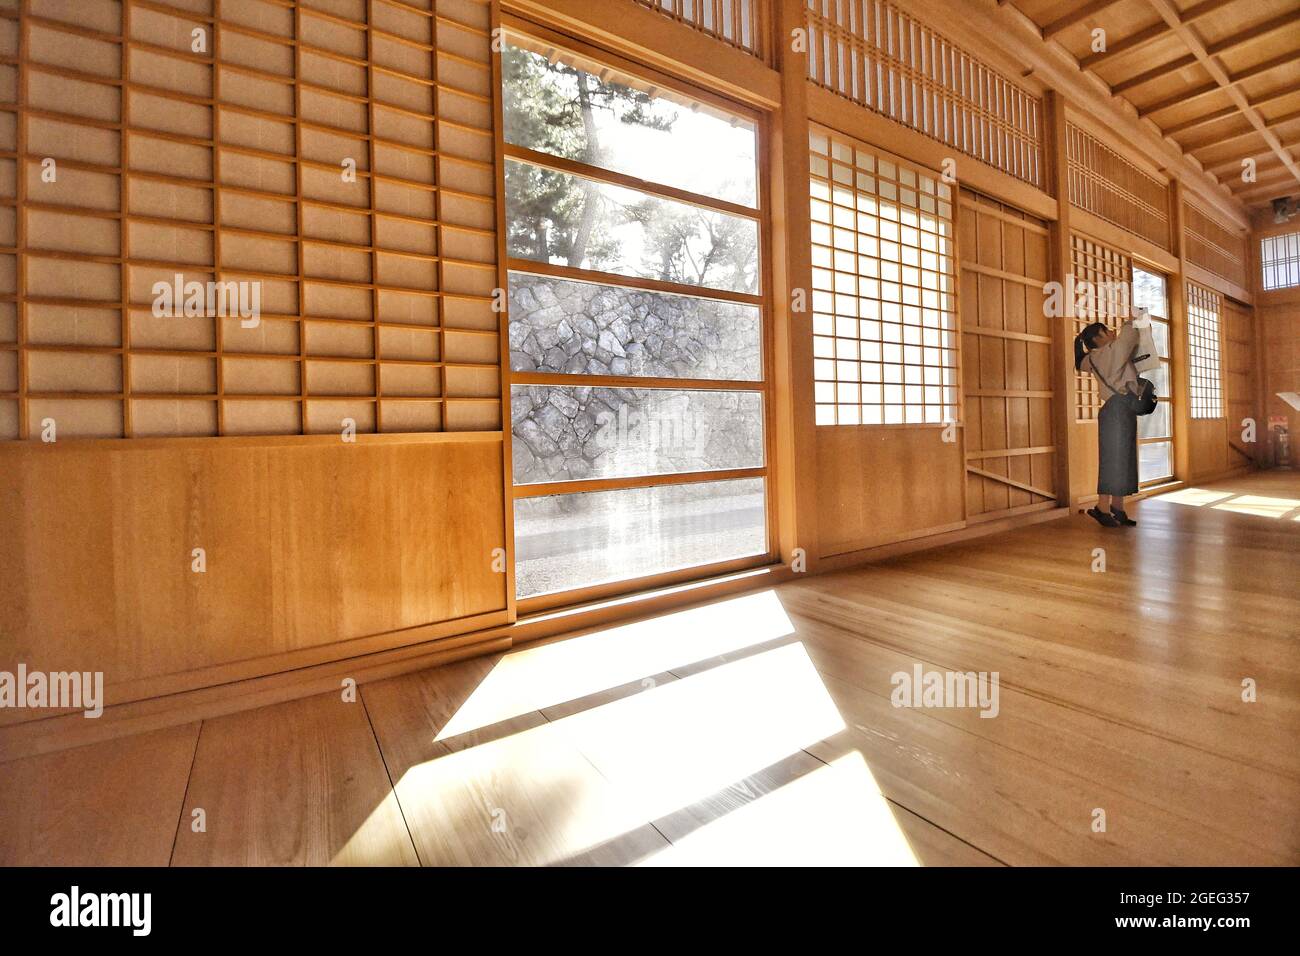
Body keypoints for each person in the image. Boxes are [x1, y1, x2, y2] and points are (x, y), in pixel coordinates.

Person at [1074, 316, 1143, 528]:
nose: (1113, 333)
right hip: (1118, 410)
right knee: (1114, 459)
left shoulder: (1095, 357)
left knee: (1122, 459)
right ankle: (1102, 508)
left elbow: (1080, 362)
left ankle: (1117, 507)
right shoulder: (1110, 351)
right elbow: (1130, 336)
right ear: (1099, 337)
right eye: (1108, 330)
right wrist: (1132, 320)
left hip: (1119, 409)